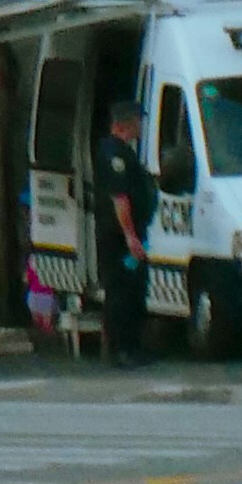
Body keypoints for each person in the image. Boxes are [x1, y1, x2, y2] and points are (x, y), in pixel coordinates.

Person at [94, 98, 151, 363]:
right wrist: (130, 236)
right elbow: (120, 199)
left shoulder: (125, 152)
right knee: (120, 292)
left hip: (128, 236)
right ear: (126, 123)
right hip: (117, 237)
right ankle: (120, 350)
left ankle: (131, 347)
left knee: (133, 290)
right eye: (138, 120)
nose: (141, 125)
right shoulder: (113, 154)